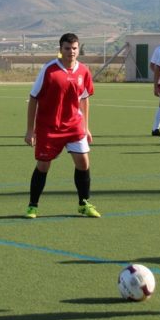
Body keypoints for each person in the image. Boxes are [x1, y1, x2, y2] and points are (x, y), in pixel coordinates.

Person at [22, 33, 100, 219]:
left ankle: (84, 203)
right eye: (67, 48)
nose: (71, 52)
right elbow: (33, 98)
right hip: (49, 127)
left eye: (74, 48)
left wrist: (86, 127)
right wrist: (30, 130)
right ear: (60, 49)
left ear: (78, 49)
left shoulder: (83, 71)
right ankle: (33, 206)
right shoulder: (49, 70)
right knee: (43, 166)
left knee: (83, 162)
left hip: (74, 125)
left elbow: (84, 99)